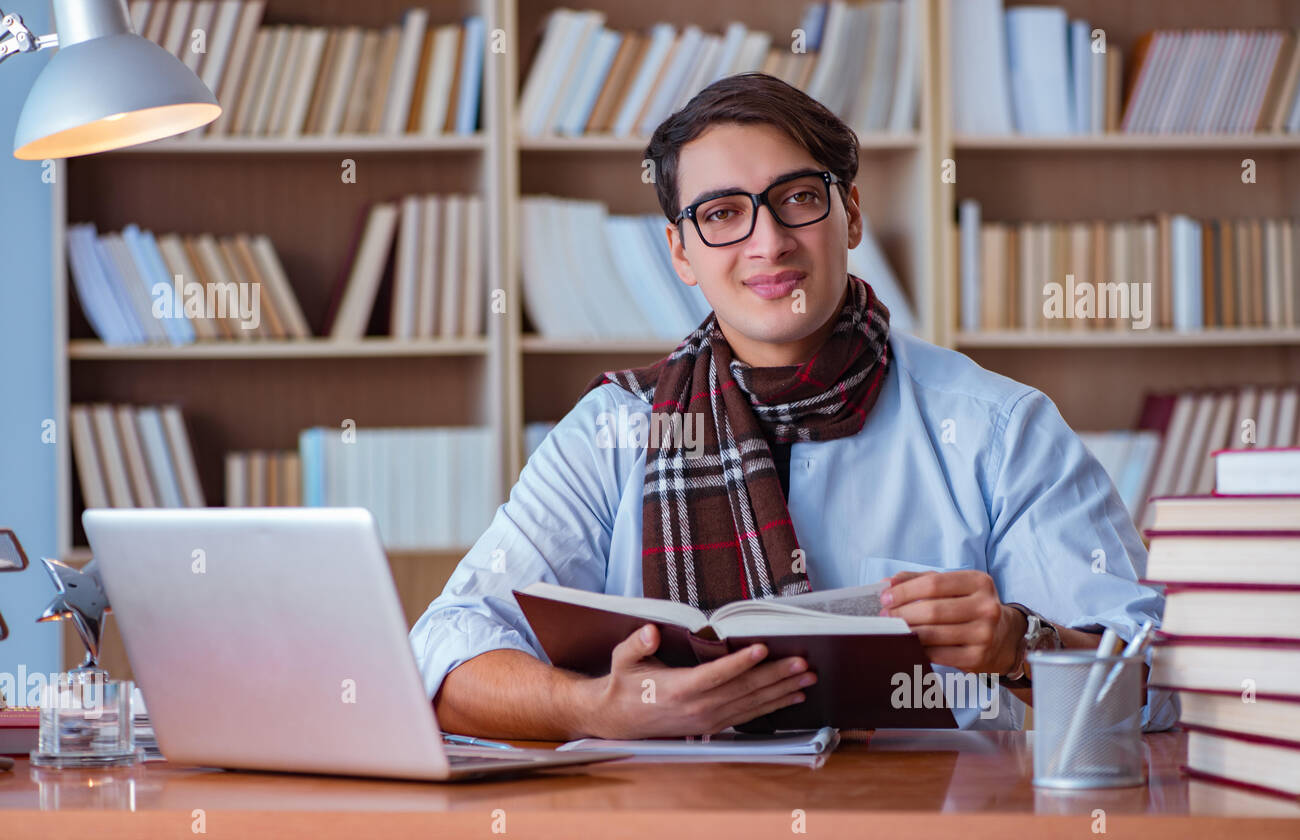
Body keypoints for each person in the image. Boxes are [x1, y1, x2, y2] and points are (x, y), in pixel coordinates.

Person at [409, 72, 1177, 739]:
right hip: (666, 833)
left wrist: (1020, 644)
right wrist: (589, 707)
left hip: (924, 833)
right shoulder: (614, 431)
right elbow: (444, 649)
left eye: (798, 198)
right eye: (722, 214)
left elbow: (1165, 688)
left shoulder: (999, 429)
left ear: (850, 215)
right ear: (681, 252)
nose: (768, 242)